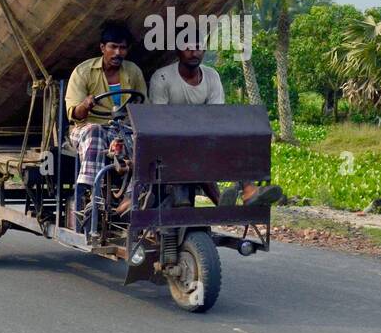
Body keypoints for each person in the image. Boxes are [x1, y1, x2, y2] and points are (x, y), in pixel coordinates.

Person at [148, 45, 282, 206]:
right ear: (178, 51)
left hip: (203, 137)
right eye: (188, 48)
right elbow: (160, 119)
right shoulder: (162, 77)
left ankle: (248, 189)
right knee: (191, 151)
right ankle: (220, 200)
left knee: (232, 134)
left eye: (199, 48)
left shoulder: (211, 76)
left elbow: (216, 115)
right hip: (169, 141)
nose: (194, 53)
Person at [65, 20, 147, 222]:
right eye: (113, 47)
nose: (118, 53)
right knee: (95, 131)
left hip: (121, 129)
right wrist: (85, 105)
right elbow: (74, 114)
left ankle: (130, 197)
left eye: (122, 48)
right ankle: (92, 196)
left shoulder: (133, 72)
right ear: (103, 48)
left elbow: (143, 106)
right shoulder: (83, 72)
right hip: (85, 128)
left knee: (143, 141)